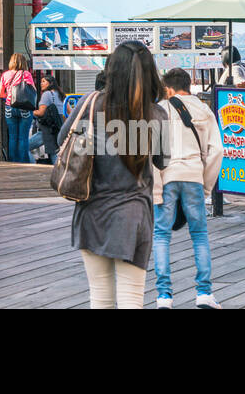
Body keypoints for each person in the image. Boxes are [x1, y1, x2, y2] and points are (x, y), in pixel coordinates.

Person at [57, 40, 168, 309]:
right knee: (131, 299)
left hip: (91, 212)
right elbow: (163, 161)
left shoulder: (91, 104)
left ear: (111, 70)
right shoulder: (156, 114)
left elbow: (63, 140)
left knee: (101, 297)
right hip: (134, 216)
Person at [152, 68, 225, 309]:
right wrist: (206, 185)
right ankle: (204, 293)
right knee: (199, 235)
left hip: (167, 175)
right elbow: (217, 151)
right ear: (189, 85)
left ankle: (164, 296)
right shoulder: (204, 109)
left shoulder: (159, 109)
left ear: (168, 89)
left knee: (161, 235)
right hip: (194, 174)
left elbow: (150, 152)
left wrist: (156, 186)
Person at [0, 53, 37, 164]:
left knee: (13, 137)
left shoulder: (5, 75)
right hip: (25, 107)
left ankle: (12, 162)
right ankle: (23, 163)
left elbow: (0, 93)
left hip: (10, 107)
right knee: (23, 137)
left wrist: (10, 97)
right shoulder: (26, 74)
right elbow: (33, 91)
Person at [29, 75, 66, 165]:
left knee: (24, 147)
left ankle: (33, 167)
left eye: (44, 81)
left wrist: (30, 112)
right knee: (54, 151)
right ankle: (58, 171)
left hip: (47, 129)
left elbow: (41, 112)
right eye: (41, 81)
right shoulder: (61, 95)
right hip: (58, 128)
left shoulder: (47, 94)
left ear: (50, 83)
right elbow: (68, 111)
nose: (41, 83)